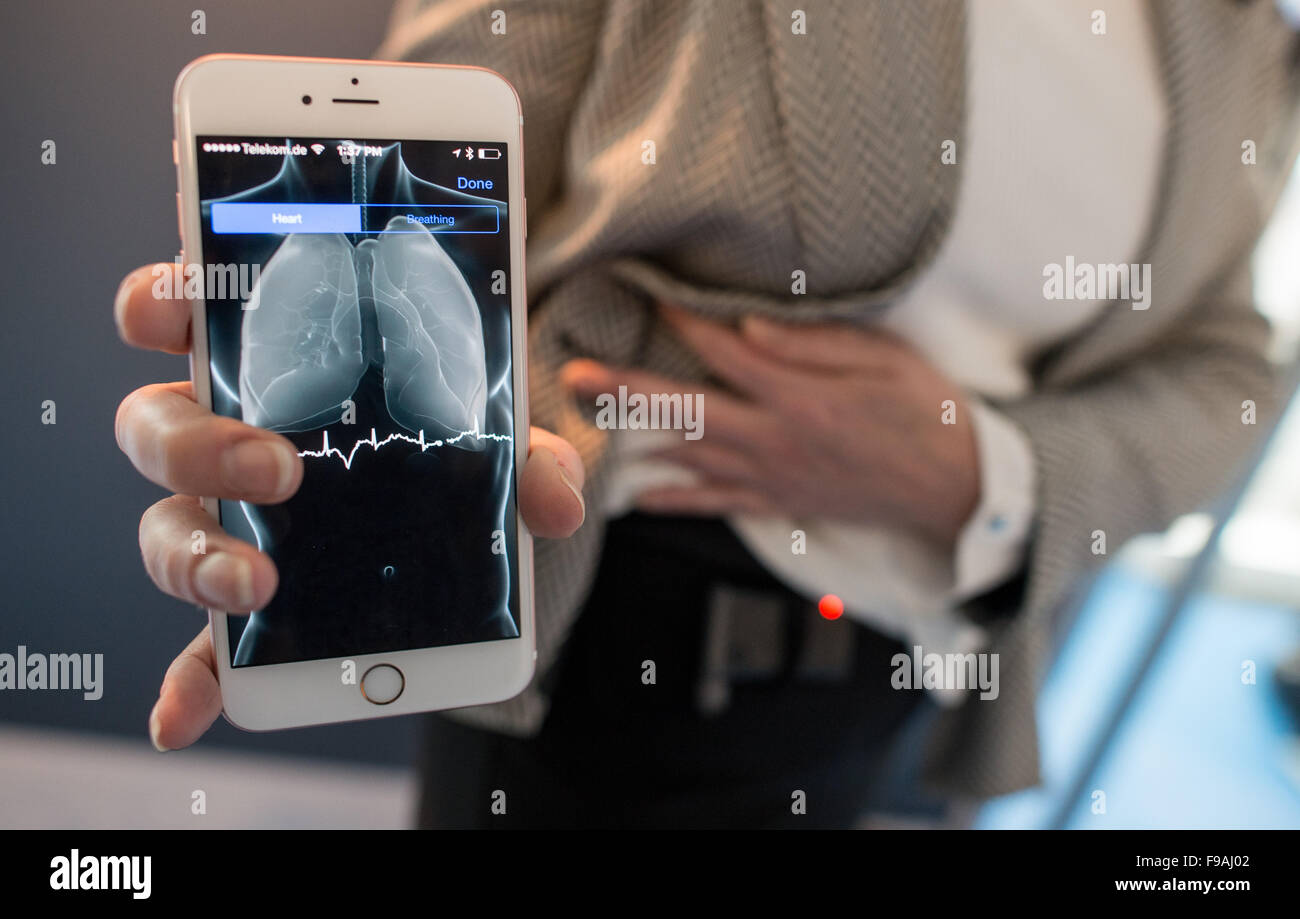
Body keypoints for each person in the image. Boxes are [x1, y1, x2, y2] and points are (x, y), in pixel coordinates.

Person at [115, 0, 1299, 828]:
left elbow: (1227, 359)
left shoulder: (1246, 40)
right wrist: (329, 491)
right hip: (600, 638)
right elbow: (410, 182)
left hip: (900, 673)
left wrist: (993, 470)